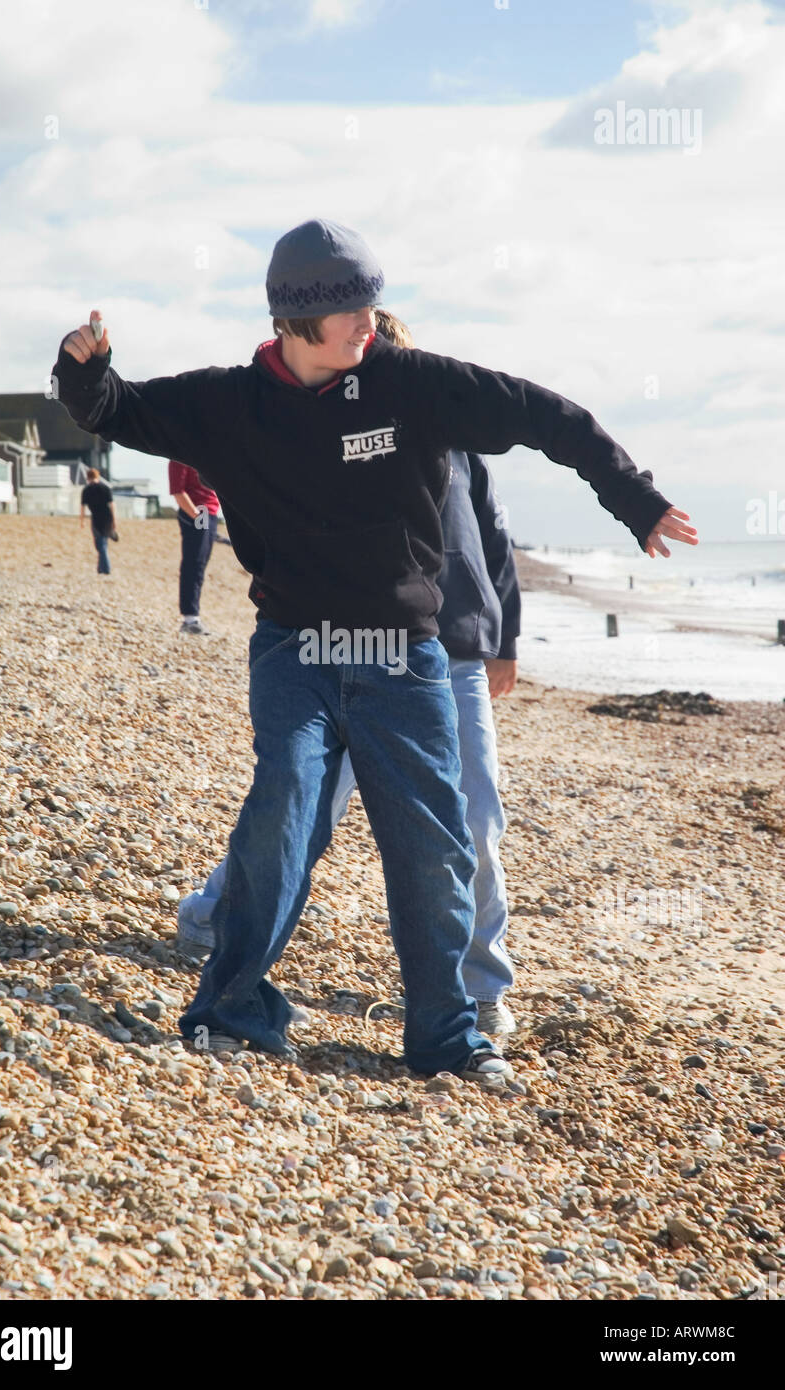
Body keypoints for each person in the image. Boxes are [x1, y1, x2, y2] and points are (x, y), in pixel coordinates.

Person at [52, 218, 696, 1082]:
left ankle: (445, 1035)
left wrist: (634, 498)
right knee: (284, 809)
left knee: (435, 844)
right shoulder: (229, 404)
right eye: (353, 306)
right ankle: (232, 1007)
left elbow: (548, 415)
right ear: (295, 317)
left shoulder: (413, 385)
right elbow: (119, 411)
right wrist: (83, 369)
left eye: (372, 301)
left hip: (407, 659)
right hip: (296, 650)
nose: (370, 320)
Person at [177, 309, 521, 1037]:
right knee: (297, 808)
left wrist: (504, 639)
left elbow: (495, 543)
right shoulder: (337, 441)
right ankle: (214, 915)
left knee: (475, 821)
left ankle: (480, 984)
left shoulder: (455, 439)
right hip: (349, 648)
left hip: (450, 655)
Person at [168, 458, 220, 634]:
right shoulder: (179, 457)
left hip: (211, 513)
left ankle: (193, 616)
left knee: (200, 563)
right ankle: (190, 618)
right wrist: (198, 517)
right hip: (199, 512)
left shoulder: (201, 451)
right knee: (194, 563)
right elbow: (178, 491)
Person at [79, 467, 117, 575]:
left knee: (100, 543)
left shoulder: (86, 489)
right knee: (103, 542)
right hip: (107, 517)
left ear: (88, 478)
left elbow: (82, 507)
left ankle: (106, 569)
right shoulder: (105, 488)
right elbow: (112, 505)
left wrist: (82, 521)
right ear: (97, 476)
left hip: (95, 518)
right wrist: (114, 520)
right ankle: (100, 568)